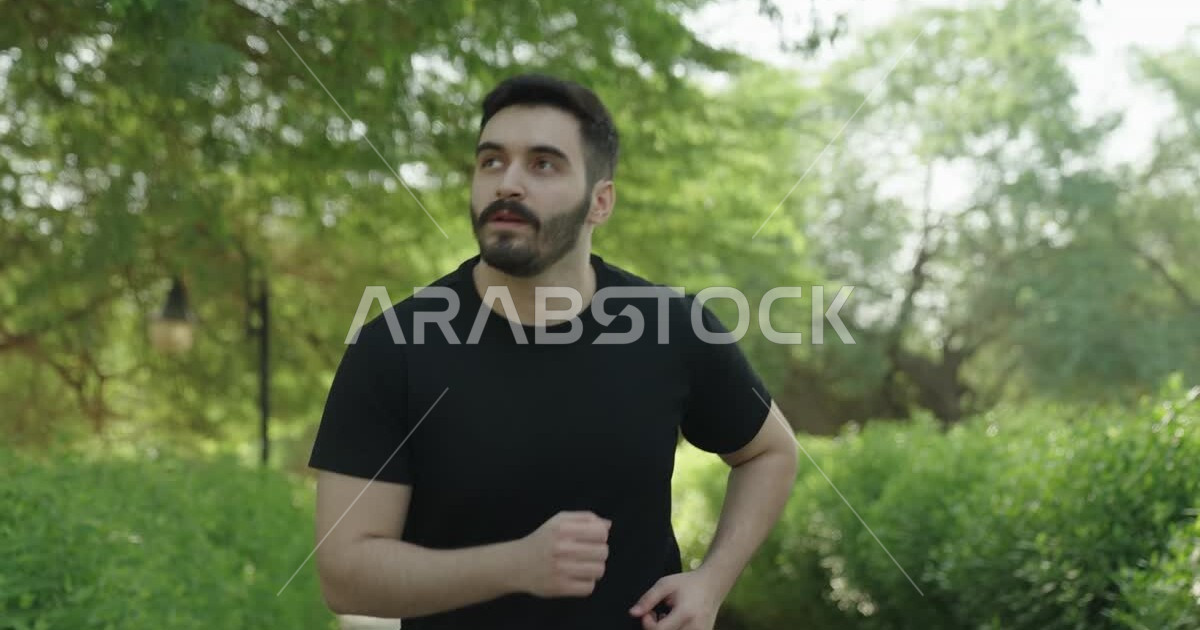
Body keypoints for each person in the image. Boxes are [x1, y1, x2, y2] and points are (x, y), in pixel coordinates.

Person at [308, 73, 799, 629]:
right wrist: (515, 566)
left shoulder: (672, 327)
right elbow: (344, 574)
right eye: (491, 161)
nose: (508, 183)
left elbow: (770, 453)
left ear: (600, 202)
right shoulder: (393, 347)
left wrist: (711, 582)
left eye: (543, 164)